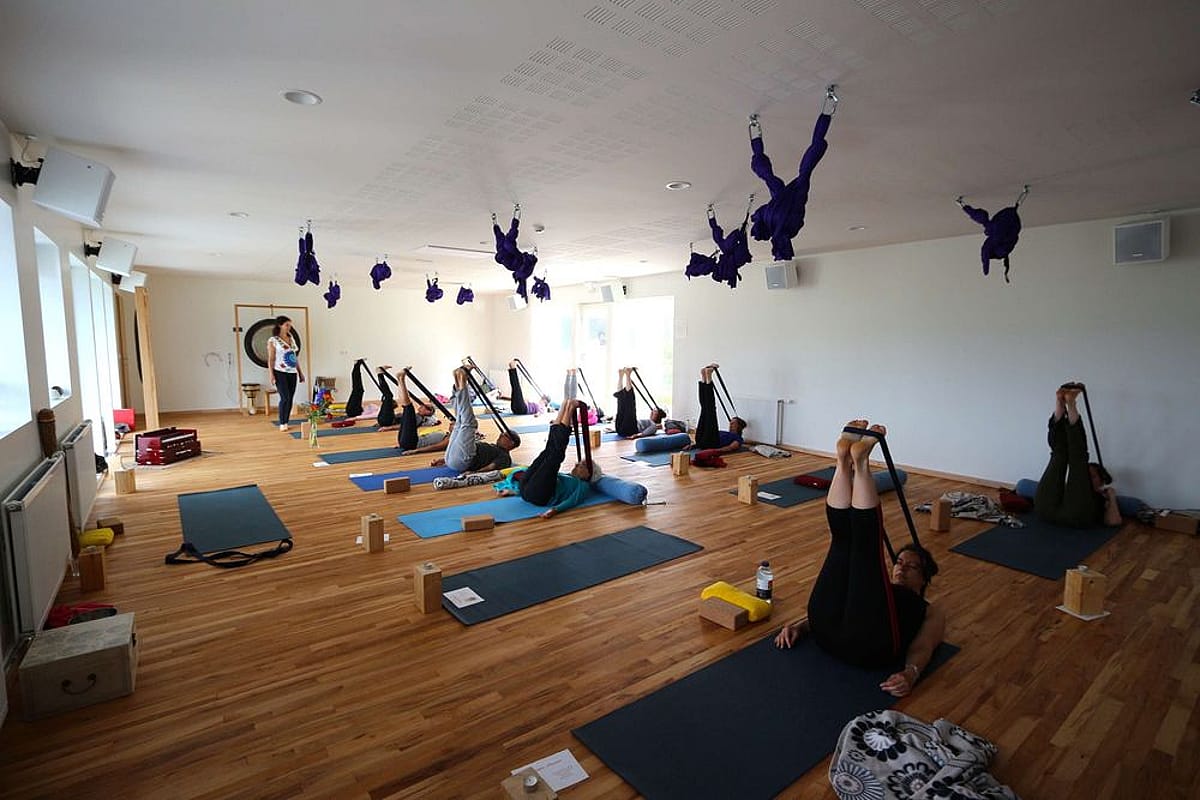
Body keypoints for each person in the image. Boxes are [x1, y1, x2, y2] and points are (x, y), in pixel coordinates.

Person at [775, 421, 945, 698]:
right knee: (842, 542)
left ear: (925, 579)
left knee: (863, 548)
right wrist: (799, 626)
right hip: (824, 630)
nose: (901, 569)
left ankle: (859, 462)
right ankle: (845, 461)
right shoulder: (877, 587)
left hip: (869, 644)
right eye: (899, 562)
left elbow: (924, 645)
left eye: (912, 566)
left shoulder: (930, 608)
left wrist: (911, 672)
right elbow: (840, 604)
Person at [494, 396, 600, 519]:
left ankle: (569, 408)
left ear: (589, 474)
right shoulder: (567, 477)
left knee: (556, 454)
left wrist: (555, 510)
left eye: (582, 466)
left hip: (541, 496)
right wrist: (514, 492)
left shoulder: (583, 486)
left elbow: (572, 501)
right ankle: (564, 407)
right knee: (548, 450)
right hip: (526, 490)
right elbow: (541, 478)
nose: (576, 465)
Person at [1034, 382, 1121, 528]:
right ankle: (1061, 403)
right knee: (1059, 454)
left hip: (1076, 515)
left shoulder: (1100, 498)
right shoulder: (1063, 491)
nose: (1086, 477)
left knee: (1077, 459)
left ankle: (1071, 404)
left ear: (1101, 482)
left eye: (1092, 476)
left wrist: (1111, 498)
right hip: (1045, 510)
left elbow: (1114, 521)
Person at [432, 367, 520, 472]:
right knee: (459, 423)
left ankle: (463, 380)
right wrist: (443, 461)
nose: (500, 435)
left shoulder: (505, 457)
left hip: (463, 462)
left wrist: (474, 473)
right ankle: (457, 382)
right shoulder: (494, 447)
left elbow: (491, 467)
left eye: (504, 435)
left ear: (511, 444)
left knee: (469, 423)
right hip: (452, 458)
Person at [688, 364, 746, 453]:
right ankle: (704, 376)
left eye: (733, 423)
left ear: (739, 427)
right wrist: (693, 446)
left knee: (710, 409)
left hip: (711, 443)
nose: (730, 424)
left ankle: (709, 376)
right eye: (731, 422)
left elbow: (730, 448)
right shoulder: (723, 432)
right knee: (704, 408)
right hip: (702, 441)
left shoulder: (738, 438)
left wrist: (712, 451)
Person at [393, 367, 449, 453]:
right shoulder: (446, 434)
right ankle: (400, 379)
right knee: (406, 407)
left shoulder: (451, 439)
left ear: (428, 412)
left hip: (412, 443)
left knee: (409, 407)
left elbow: (435, 447)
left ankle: (402, 379)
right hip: (407, 442)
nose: (452, 424)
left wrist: (416, 451)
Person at [267, 316, 304, 431]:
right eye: (287, 325)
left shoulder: (291, 338)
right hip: (280, 372)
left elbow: (294, 357)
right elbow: (271, 359)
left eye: (290, 325)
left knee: (290, 398)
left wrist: (300, 372)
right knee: (285, 397)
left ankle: (286, 421)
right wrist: (271, 374)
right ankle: (282, 422)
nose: (289, 327)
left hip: (292, 373)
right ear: (280, 325)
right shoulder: (273, 340)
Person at [613, 367, 665, 438]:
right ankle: (621, 375)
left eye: (654, 411)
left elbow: (644, 433)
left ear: (657, 416)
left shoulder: (653, 426)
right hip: (621, 429)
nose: (652, 411)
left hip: (630, 429)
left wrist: (635, 436)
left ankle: (628, 374)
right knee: (621, 400)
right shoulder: (648, 421)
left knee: (630, 401)